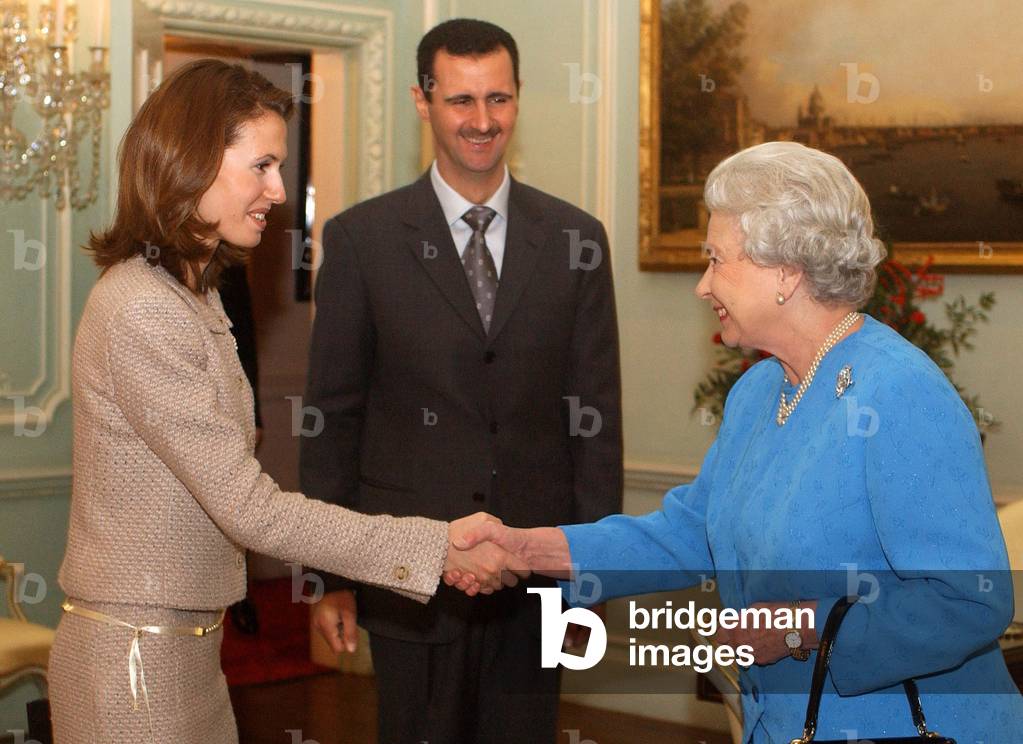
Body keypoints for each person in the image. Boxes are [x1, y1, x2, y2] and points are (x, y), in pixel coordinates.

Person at [454, 141, 1023, 742]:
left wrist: (802, 629)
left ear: (785, 271)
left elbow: (971, 601)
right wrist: (525, 549)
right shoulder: (758, 391)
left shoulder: (900, 393)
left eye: (716, 259)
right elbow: (690, 530)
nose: (702, 286)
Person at [48, 59, 523, 744]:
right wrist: (434, 545)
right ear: (193, 161)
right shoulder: (141, 310)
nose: (277, 189)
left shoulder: (193, 296)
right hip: (133, 660)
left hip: (183, 648)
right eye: (261, 165)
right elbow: (249, 509)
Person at [300, 18, 623, 744]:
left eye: (499, 100)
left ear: (517, 100)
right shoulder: (360, 240)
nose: (482, 122)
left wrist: (592, 565)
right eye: (460, 101)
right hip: (408, 571)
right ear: (423, 100)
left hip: (536, 571)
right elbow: (333, 415)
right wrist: (333, 575)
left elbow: (594, 412)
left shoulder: (576, 239)